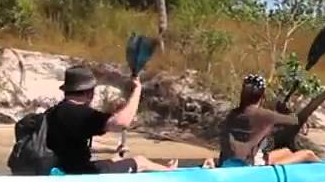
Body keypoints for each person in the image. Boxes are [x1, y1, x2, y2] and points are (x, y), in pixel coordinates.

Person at [47, 65, 206, 174]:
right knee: (140, 161)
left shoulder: (54, 112)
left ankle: (163, 169)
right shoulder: (80, 114)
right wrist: (137, 90)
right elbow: (121, 123)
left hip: (64, 169)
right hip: (81, 175)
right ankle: (170, 173)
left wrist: (114, 156)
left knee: (116, 159)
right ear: (89, 93)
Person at [217, 74, 322, 167]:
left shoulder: (232, 114)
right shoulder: (266, 115)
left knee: (286, 151)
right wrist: (286, 110)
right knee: (308, 154)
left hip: (230, 161)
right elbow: (295, 120)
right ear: (262, 96)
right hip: (252, 166)